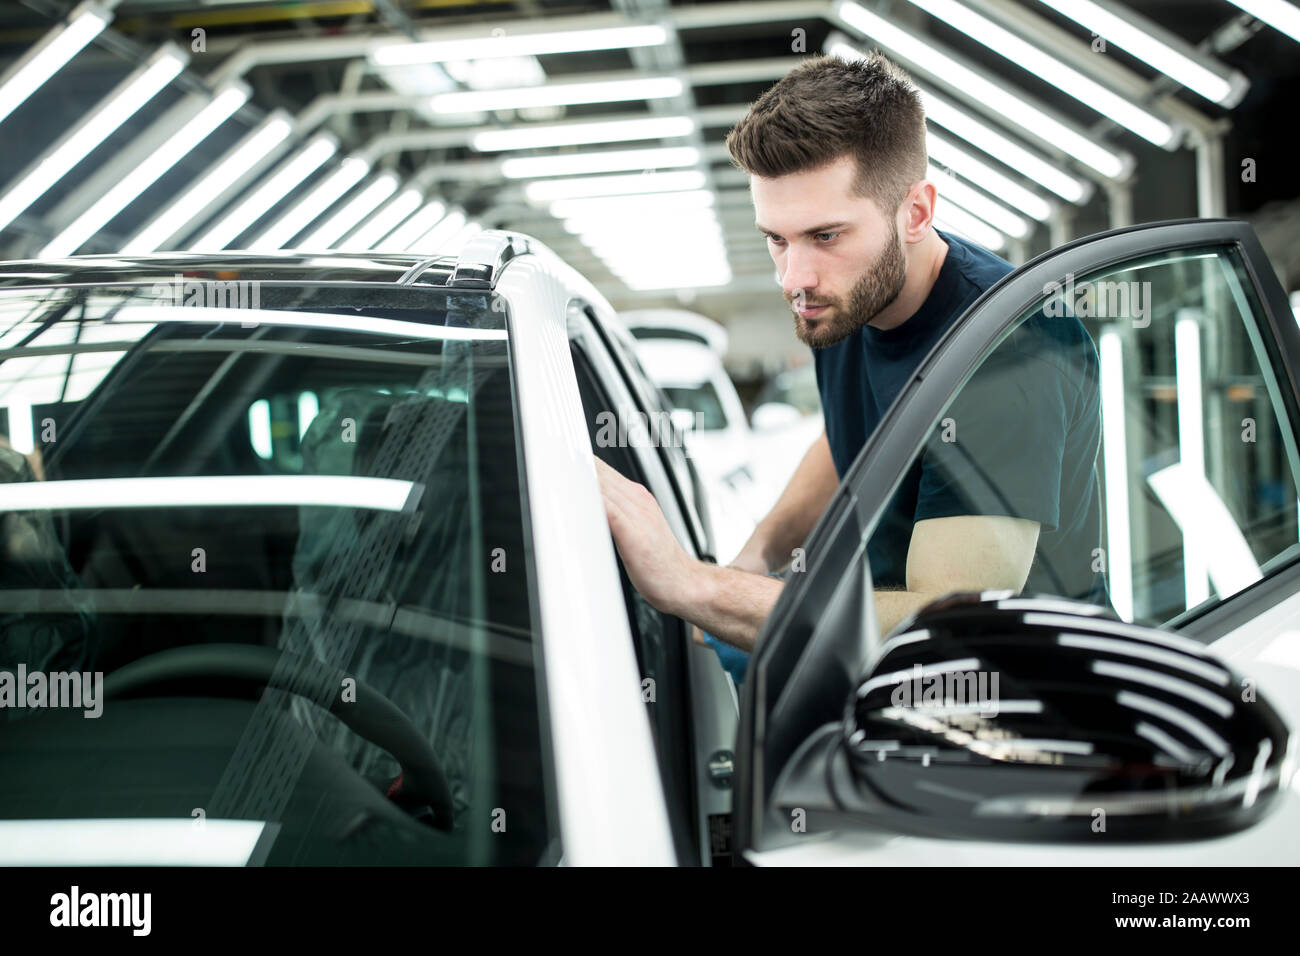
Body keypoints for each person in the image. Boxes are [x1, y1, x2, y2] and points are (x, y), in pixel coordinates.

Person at [597, 53, 1105, 677]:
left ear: (916, 212)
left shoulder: (1009, 347)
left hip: (1028, 708)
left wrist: (692, 586)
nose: (794, 278)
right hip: (889, 681)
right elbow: (849, 439)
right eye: (776, 238)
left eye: (826, 235)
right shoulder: (842, 300)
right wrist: (753, 558)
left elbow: (947, 622)